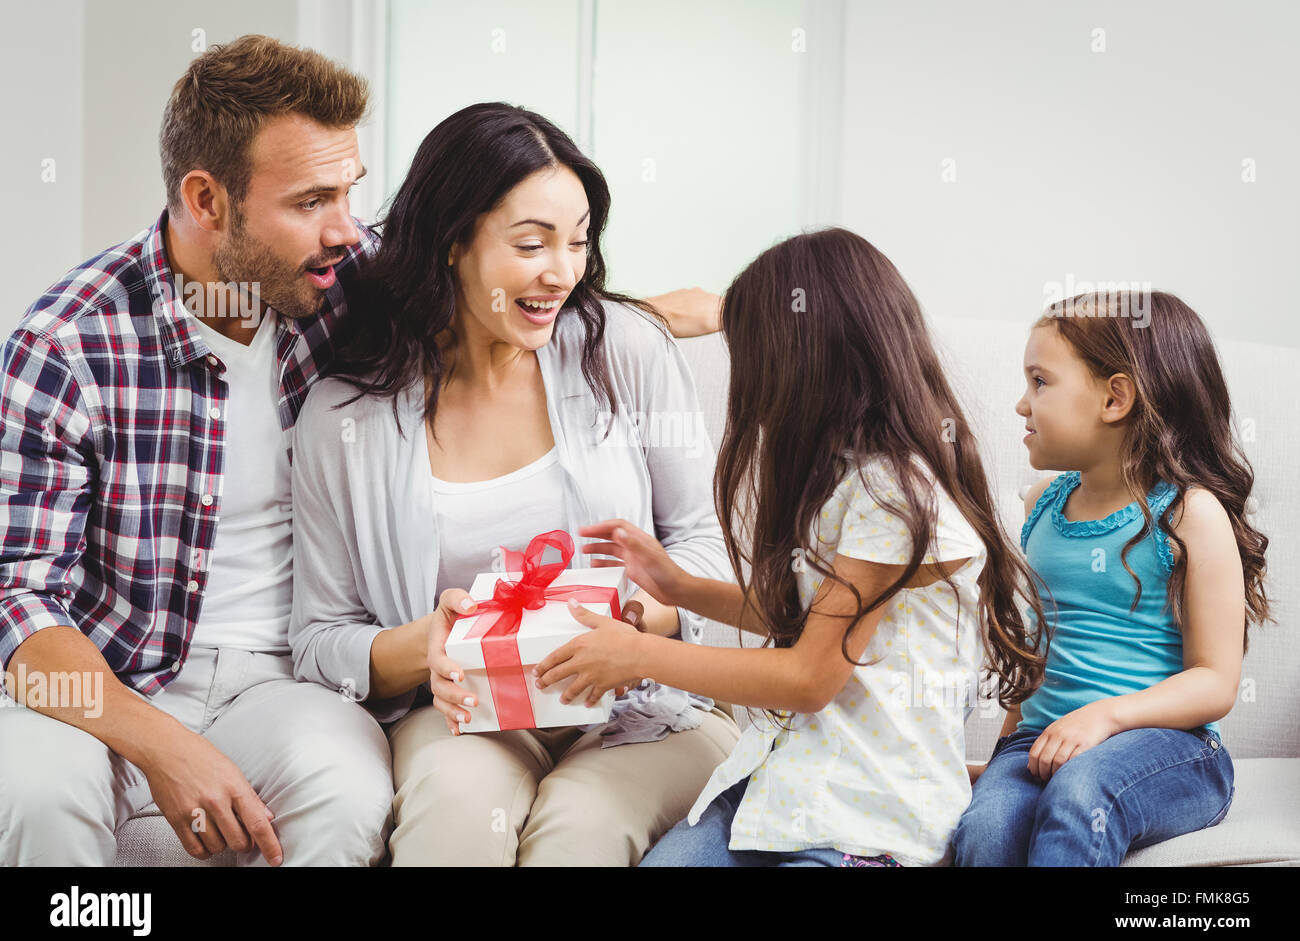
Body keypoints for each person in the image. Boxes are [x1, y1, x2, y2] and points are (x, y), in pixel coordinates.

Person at [0, 35, 718, 867]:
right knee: (39, 799)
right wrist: (162, 744)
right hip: (111, 678)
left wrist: (634, 318)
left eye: (350, 192)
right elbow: (19, 599)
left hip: (283, 682)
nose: (346, 229)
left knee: (348, 794)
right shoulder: (66, 348)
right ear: (207, 200)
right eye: (310, 201)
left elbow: (507, 290)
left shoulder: (340, 278)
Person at [288, 101, 742, 867]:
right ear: (452, 243)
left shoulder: (626, 349)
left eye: (578, 242)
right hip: (467, 711)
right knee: (455, 818)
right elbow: (319, 639)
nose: (561, 272)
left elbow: (705, 541)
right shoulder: (346, 415)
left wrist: (637, 621)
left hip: (642, 699)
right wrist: (429, 643)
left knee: (579, 827)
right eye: (531, 244)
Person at [533, 228, 1050, 866]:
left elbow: (808, 677)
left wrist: (637, 655)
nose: (747, 374)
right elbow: (810, 618)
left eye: (752, 352)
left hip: (864, 819)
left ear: (805, 360)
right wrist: (679, 588)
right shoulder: (847, 475)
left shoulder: (895, 494)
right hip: (777, 789)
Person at [952, 290, 1268, 866]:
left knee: (1081, 793)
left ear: (1115, 397)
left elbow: (1216, 681)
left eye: (1040, 382)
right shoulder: (1040, 508)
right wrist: (1002, 760)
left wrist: (1104, 716)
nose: (1021, 405)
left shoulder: (1190, 515)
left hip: (1170, 751)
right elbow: (1040, 649)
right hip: (1041, 744)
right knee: (985, 827)